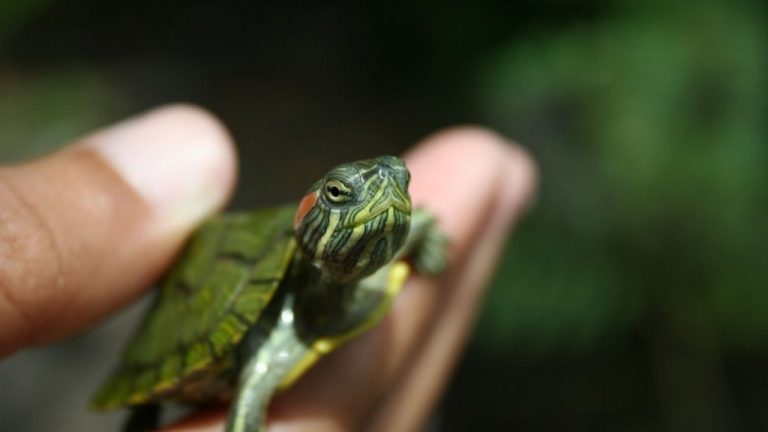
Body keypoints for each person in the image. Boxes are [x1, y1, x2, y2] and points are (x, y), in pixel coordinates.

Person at [0, 104, 536, 431]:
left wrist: (427, 236)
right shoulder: (271, 342)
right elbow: (250, 395)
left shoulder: (389, 243)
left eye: (398, 183)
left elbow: (421, 225)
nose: (386, 194)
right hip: (233, 295)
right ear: (310, 215)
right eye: (338, 194)